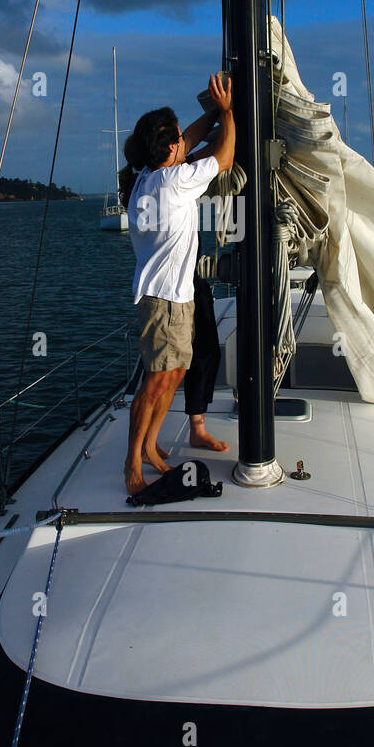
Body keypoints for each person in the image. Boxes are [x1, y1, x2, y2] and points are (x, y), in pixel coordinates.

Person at [119, 74, 234, 495]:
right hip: (165, 301)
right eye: (177, 140)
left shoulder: (148, 178)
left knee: (175, 373)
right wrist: (227, 112)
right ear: (170, 149)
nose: (183, 141)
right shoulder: (174, 181)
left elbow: (188, 139)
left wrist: (211, 114)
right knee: (155, 381)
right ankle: (132, 462)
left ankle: (150, 447)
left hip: (175, 297)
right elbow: (223, 156)